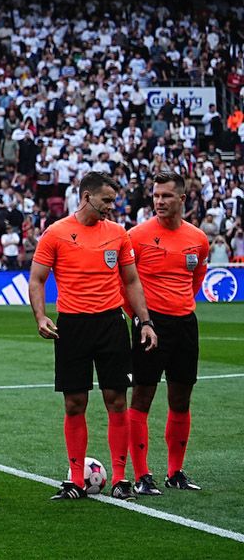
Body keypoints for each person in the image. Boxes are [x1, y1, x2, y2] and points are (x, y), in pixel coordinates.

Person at [30, 171, 161, 500]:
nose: (111, 207)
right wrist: (41, 316)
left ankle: (120, 478)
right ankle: (75, 480)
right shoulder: (56, 233)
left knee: (117, 401)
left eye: (113, 201)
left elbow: (131, 281)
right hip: (72, 326)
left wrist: (145, 321)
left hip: (111, 325)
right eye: (106, 200)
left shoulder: (118, 233)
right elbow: (37, 280)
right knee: (75, 403)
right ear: (86, 197)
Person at [125, 170, 209, 494]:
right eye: (156, 196)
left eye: (166, 196)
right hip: (150, 323)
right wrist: (138, 317)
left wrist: (182, 304)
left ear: (182, 199)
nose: (159, 201)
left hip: (185, 323)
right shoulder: (137, 236)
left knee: (181, 398)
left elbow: (196, 279)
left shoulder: (197, 239)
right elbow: (125, 283)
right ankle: (143, 474)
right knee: (142, 395)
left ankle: (175, 472)